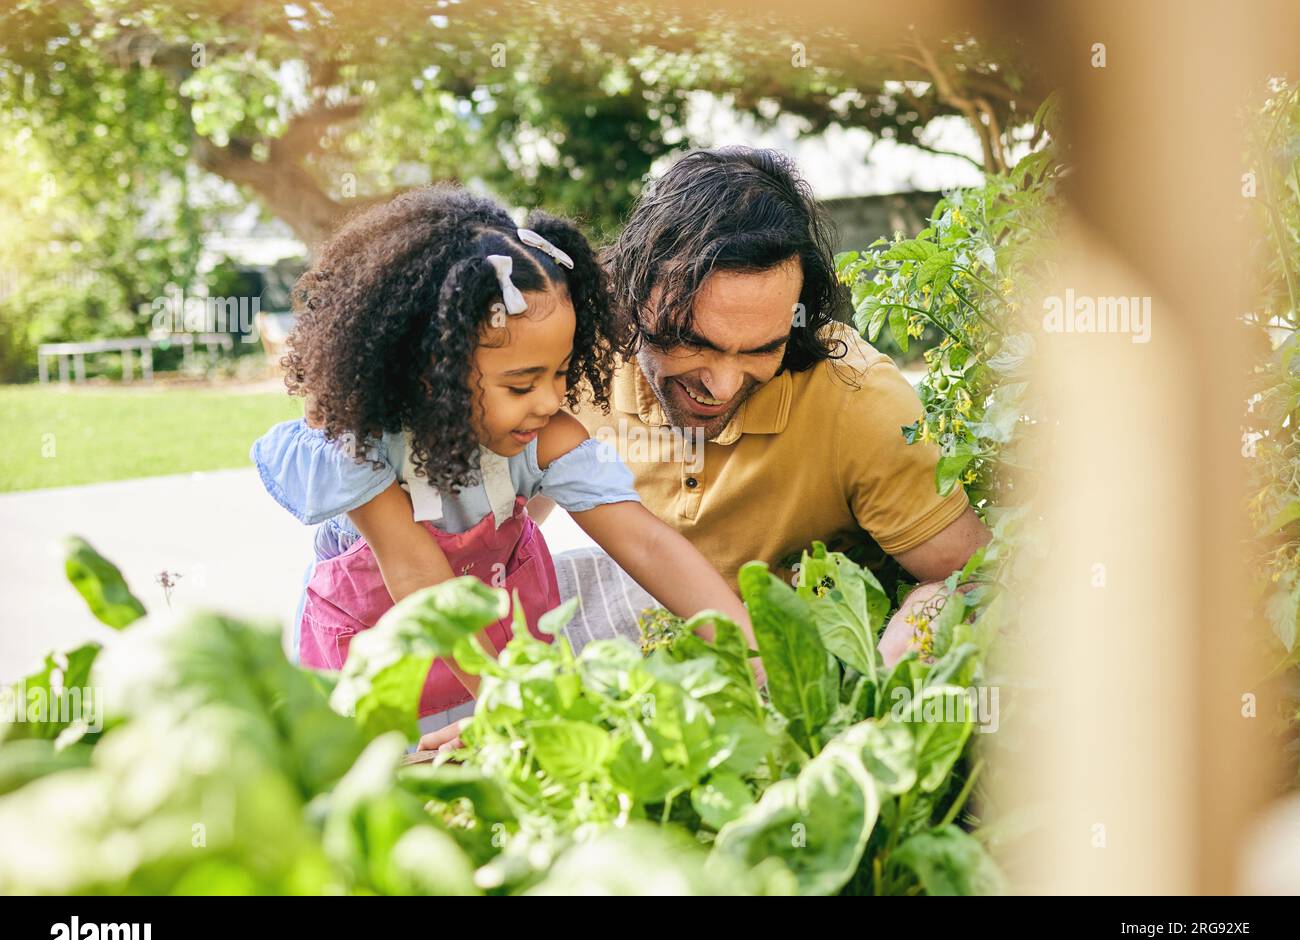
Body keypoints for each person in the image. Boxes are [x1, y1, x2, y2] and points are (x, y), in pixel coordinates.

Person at [249, 186, 757, 739]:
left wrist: (752, 656)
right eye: (520, 383)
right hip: (383, 669)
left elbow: (646, 544)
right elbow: (421, 579)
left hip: (497, 664)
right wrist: (508, 710)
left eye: (560, 373)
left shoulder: (549, 437)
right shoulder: (360, 452)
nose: (548, 400)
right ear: (431, 373)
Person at [533, 146, 990, 665]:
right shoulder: (572, 358)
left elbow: (963, 577)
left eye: (761, 349)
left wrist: (874, 692)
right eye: (694, 342)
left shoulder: (858, 401)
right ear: (636, 291)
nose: (723, 386)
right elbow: (496, 535)